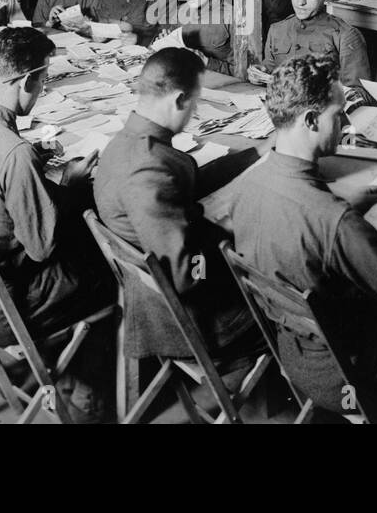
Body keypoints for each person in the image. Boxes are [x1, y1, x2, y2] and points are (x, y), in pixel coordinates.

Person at [228, 55, 377, 422]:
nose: (345, 124)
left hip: (292, 353)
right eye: (338, 114)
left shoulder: (247, 185)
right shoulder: (334, 220)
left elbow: (301, 224)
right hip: (348, 373)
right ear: (311, 120)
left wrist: (343, 206)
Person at [0, 27, 117, 422]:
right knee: (107, 279)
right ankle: (88, 409)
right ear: (26, 80)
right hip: (3, 307)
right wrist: (68, 185)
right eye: (44, 78)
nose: (44, 87)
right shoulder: (13, 153)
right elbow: (41, 247)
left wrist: (31, 161)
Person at [94, 49, 263, 366]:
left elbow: (188, 179)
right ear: (180, 100)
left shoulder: (128, 144)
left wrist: (257, 152)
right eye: (196, 102)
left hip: (157, 301)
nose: (194, 109)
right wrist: (229, 232)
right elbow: (187, 275)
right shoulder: (149, 173)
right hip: (193, 322)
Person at [254, 0, 370, 88]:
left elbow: (360, 93)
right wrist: (258, 75)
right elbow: (269, 69)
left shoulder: (346, 36)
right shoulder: (277, 30)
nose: (300, 2)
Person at [164, 0, 236, 76]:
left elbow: (245, 73)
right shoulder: (181, 12)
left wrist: (206, 62)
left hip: (222, 89)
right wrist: (165, 45)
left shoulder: (233, 17)